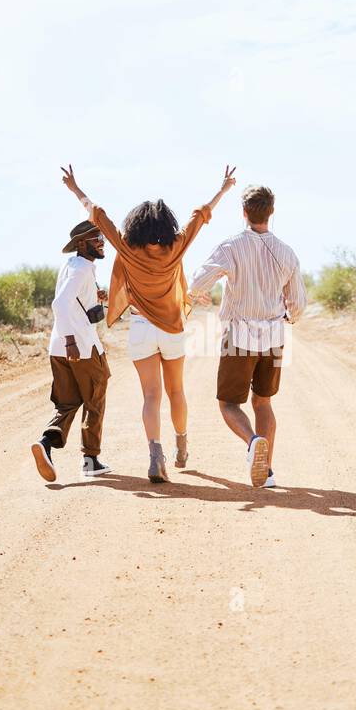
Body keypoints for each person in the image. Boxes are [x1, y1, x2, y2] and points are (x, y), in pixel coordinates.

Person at [61, 164, 236, 483]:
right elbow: (201, 216)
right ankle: (182, 446)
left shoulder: (127, 248)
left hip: (140, 330)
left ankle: (156, 455)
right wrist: (223, 189)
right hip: (172, 330)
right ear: (166, 225)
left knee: (151, 396)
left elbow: (98, 215)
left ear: (135, 226)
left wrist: (75, 188)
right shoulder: (176, 246)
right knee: (176, 390)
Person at [188, 184, 306, 489]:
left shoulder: (231, 246)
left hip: (239, 336)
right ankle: (265, 472)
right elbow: (298, 305)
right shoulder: (287, 252)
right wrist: (285, 317)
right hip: (275, 337)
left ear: (244, 213)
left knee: (228, 403)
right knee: (263, 402)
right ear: (272, 212)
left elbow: (199, 281)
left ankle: (253, 442)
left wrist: (198, 294)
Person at [31, 220, 111, 482]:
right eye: (95, 238)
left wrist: (95, 298)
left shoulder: (72, 266)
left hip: (59, 347)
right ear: (80, 244)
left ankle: (46, 443)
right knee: (95, 396)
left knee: (68, 402)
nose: (102, 241)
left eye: (101, 237)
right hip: (81, 346)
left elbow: (75, 304)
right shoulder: (82, 270)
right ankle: (91, 459)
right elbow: (60, 303)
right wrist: (71, 340)